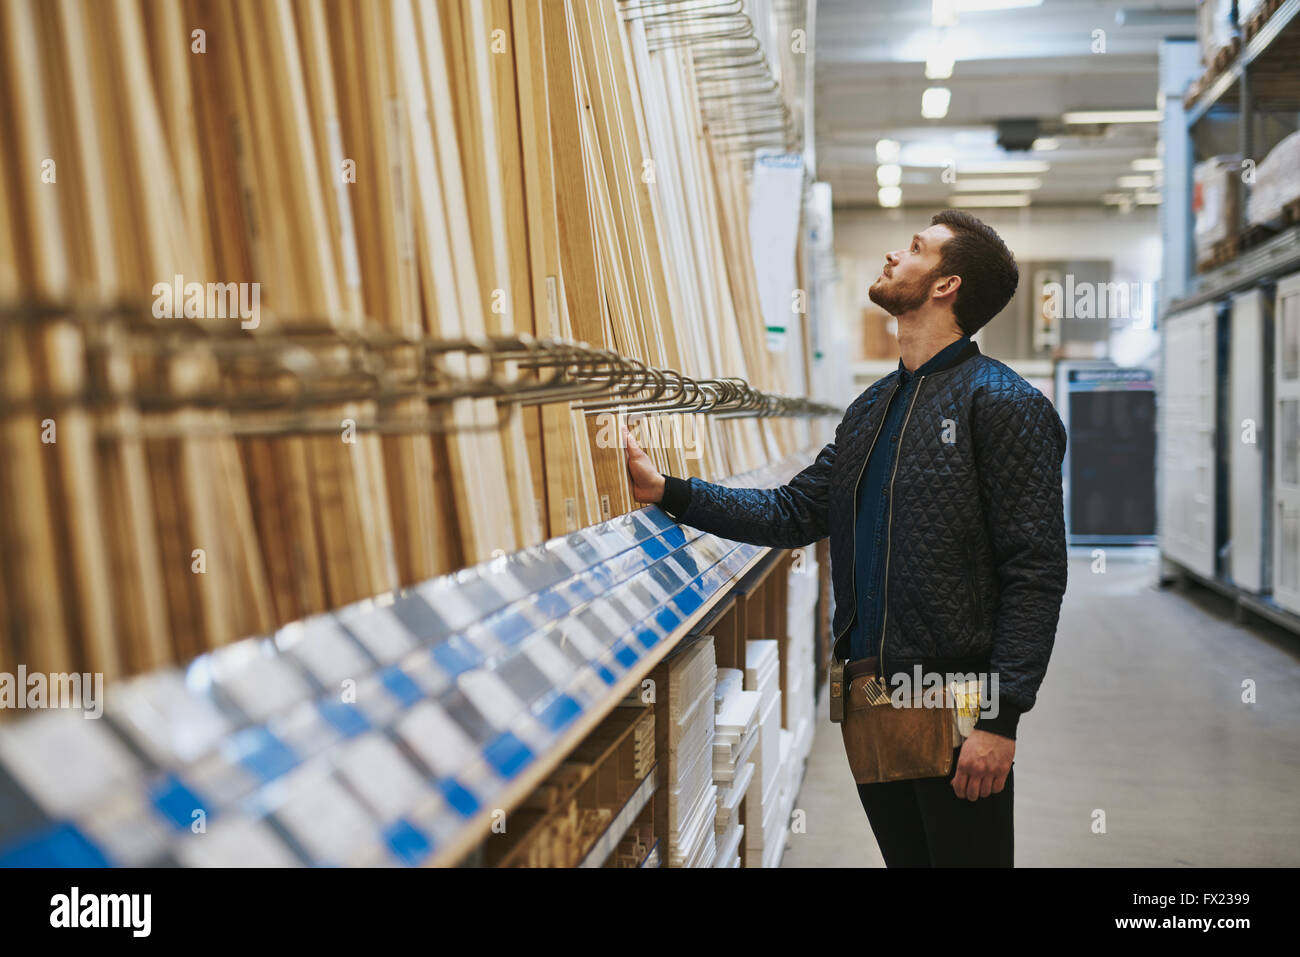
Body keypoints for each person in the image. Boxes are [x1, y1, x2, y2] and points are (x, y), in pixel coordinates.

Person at [622, 209, 1068, 867]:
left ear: (947, 285)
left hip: (956, 705)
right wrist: (671, 492)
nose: (893, 255)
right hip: (873, 695)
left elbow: (1035, 569)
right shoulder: (871, 409)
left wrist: (1001, 720)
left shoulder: (1004, 404)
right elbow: (795, 510)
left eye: (915, 248)